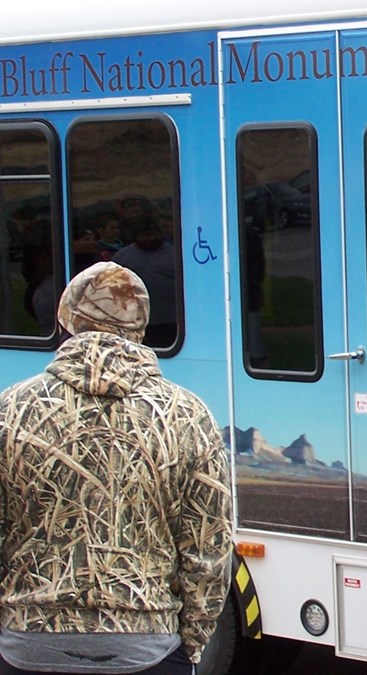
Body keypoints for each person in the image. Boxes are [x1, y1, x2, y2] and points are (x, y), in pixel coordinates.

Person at [0, 261, 232, 675]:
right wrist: (191, 642)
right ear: (140, 329)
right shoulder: (186, 415)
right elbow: (208, 552)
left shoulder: (11, 411)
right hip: (148, 649)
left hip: (27, 645)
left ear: (67, 320)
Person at [113, 219, 177, 349]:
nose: (150, 238)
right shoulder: (122, 257)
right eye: (145, 235)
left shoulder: (176, 254)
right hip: (133, 321)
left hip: (170, 322)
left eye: (153, 234)